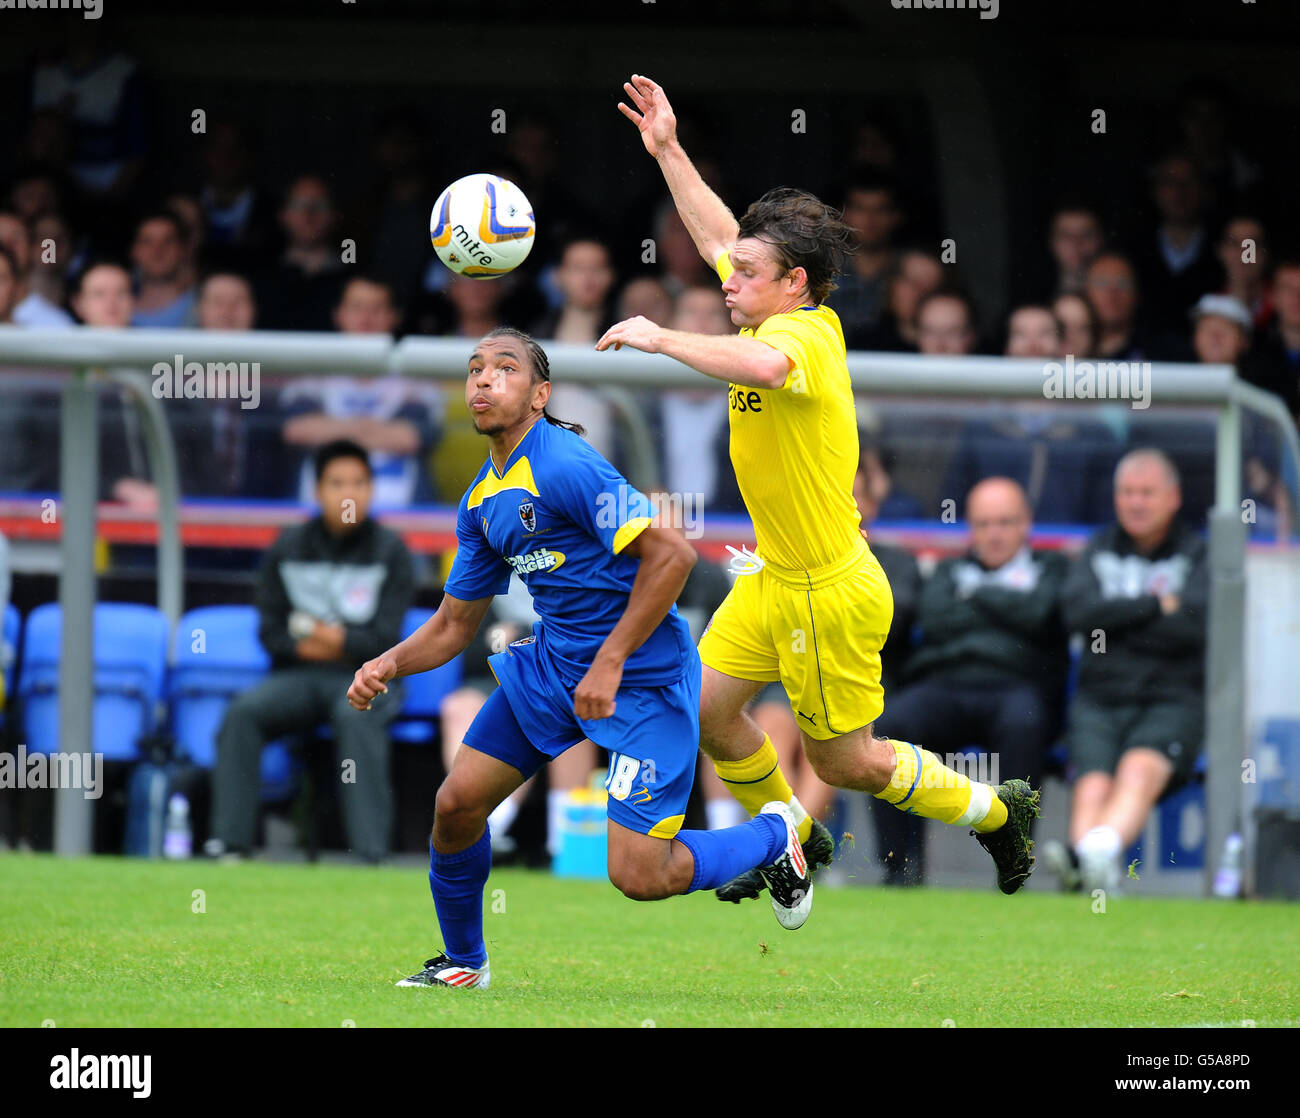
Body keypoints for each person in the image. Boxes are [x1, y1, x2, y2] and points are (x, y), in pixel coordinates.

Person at [599, 73, 1038, 902]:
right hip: (772, 579)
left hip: (829, 591)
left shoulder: (804, 333)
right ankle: (790, 844)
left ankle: (995, 813)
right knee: (711, 715)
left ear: (794, 284)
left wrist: (662, 335)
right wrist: (668, 149)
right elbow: (719, 236)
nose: (727, 278)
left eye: (747, 274)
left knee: (848, 761)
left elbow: (765, 365)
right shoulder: (769, 302)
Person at [347, 329, 811, 989]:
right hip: (553, 671)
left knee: (638, 876)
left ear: (540, 395)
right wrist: (387, 664)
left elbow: (673, 554)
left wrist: (612, 660)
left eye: (504, 368)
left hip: (643, 679)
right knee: (455, 806)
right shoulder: (480, 501)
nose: (483, 379)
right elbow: (455, 623)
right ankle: (464, 962)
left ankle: (773, 838)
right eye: (474, 368)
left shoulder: (565, 461)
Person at [207, 440, 415, 864]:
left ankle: (369, 855)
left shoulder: (392, 552)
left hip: (369, 680)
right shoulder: (287, 547)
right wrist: (339, 641)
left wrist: (316, 633)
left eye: (359, 482)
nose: (348, 493)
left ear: (372, 490)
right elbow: (272, 636)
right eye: (337, 483)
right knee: (244, 712)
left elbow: (384, 643)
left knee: (355, 714)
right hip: (296, 677)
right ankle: (229, 844)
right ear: (317, 491)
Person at [872, 478, 1068, 885]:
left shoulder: (1052, 567)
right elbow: (936, 615)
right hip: (946, 685)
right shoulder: (949, 570)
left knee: (1024, 725)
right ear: (971, 528)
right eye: (983, 524)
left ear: (1026, 523)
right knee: (891, 730)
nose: (993, 534)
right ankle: (900, 870)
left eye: (1004, 522)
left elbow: (1039, 613)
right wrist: (1007, 605)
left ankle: (1014, 864)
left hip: (1016, 688)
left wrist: (976, 598)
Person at [1049, 449, 1208, 893]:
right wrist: (1157, 605)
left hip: (1171, 698)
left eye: (1147, 493)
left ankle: (1086, 864)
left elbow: (1195, 626)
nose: (1136, 502)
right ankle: (1094, 877)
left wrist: (1116, 620)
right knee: (1093, 782)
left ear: (1173, 497)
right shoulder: (1098, 548)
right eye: (1127, 493)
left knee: (1138, 770)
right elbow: (1078, 614)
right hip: (1100, 697)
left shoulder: (1197, 553)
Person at [128, 209, 197, 328]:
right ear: (134, 250)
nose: (157, 251)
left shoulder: (203, 304)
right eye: (147, 242)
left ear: (182, 250)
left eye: (168, 241)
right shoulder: (111, 304)